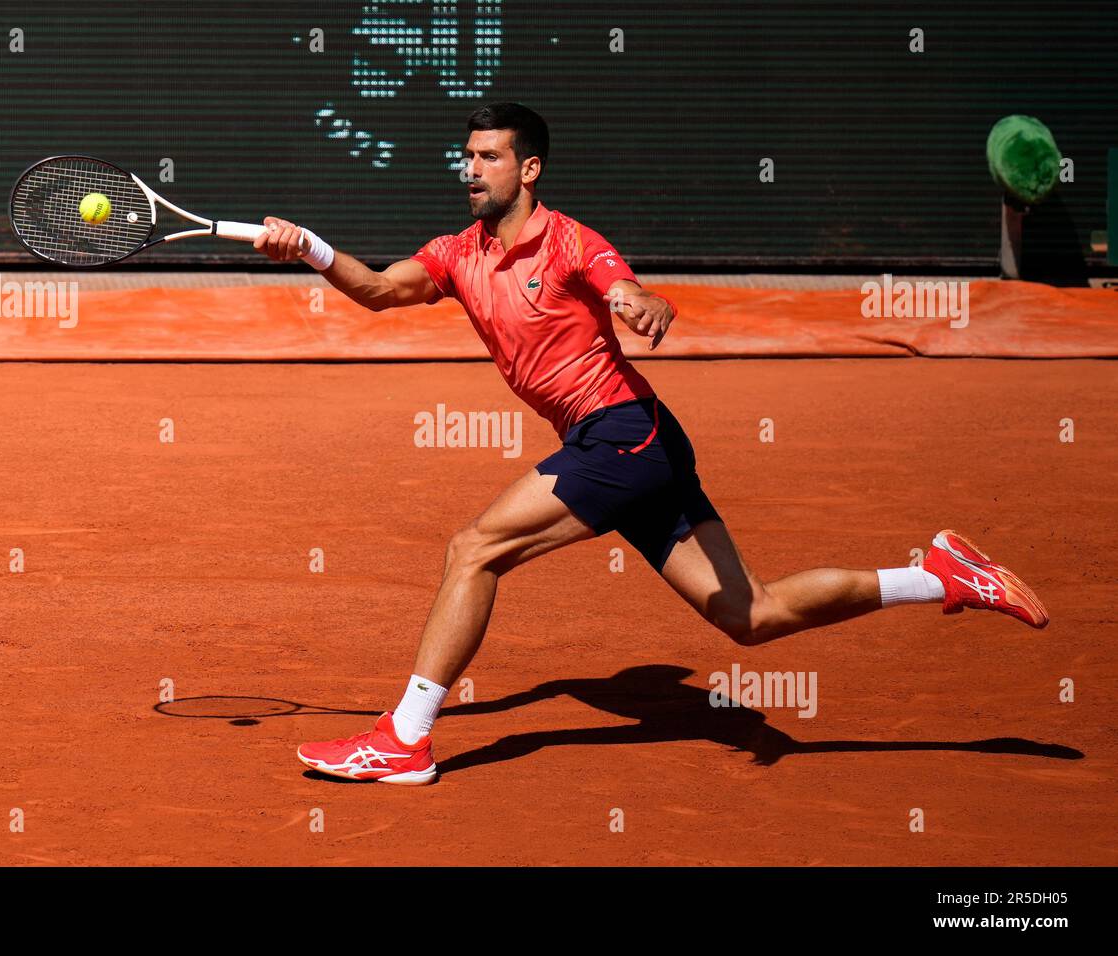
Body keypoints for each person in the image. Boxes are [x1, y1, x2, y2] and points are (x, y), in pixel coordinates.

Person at [252, 102, 1048, 786]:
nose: (472, 170)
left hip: (622, 435)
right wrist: (312, 250)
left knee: (474, 550)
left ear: (529, 170)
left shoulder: (569, 242)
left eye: (488, 158)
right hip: (642, 445)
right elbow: (383, 291)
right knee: (752, 616)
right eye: (467, 157)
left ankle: (405, 739)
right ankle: (934, 575)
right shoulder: (459, 253)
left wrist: (641, 302)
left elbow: (622, 285)